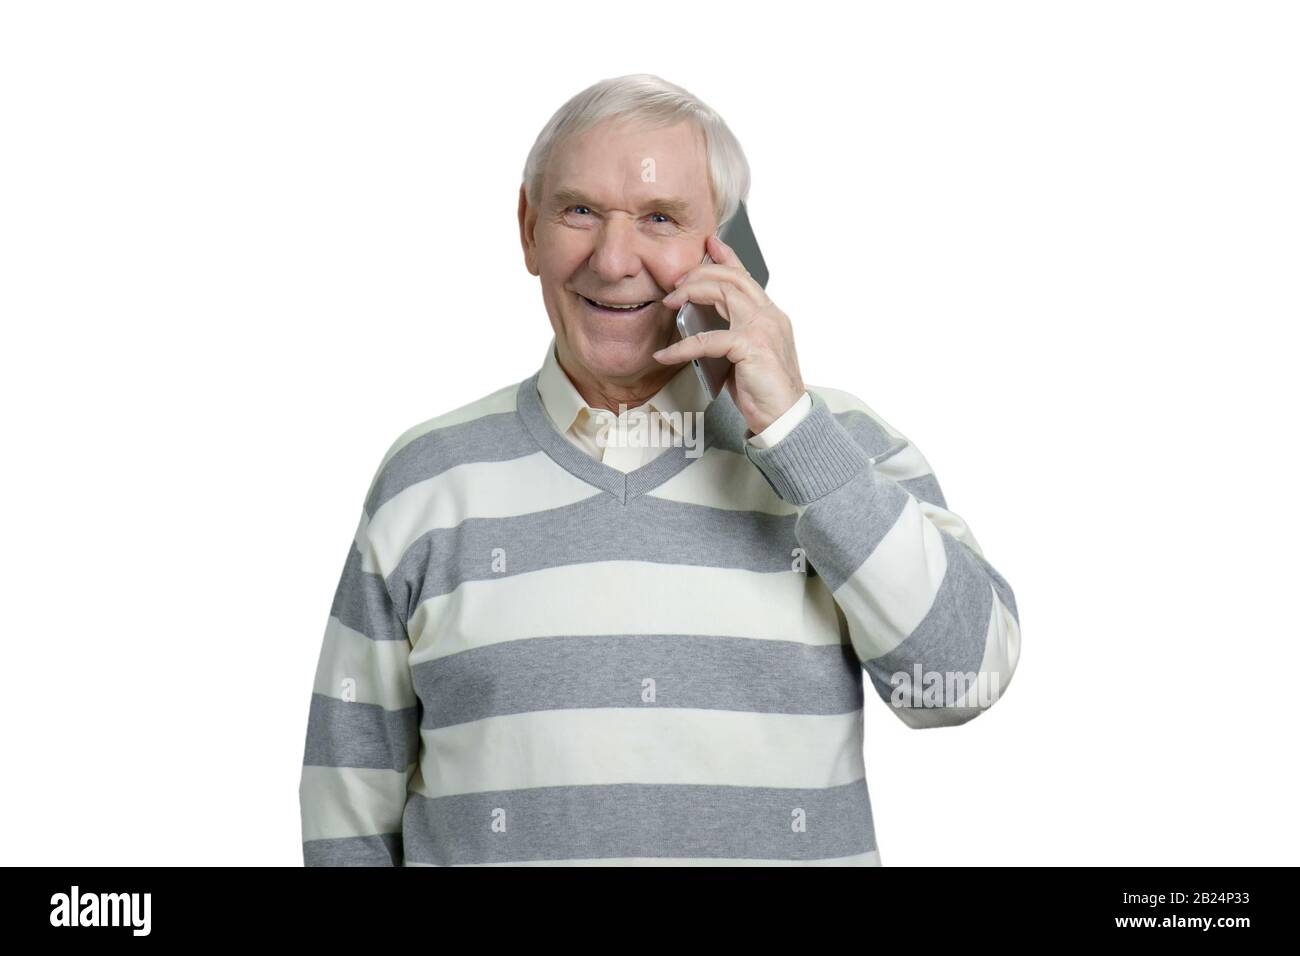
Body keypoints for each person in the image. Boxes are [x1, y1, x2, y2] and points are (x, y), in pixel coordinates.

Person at [298, 73, 1021, 866]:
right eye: (579, 210)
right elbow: (347, 810)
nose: (614, 261)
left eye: (660, 218)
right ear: (527, 225)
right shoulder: (425, 481)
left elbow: (963, 679)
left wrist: (790, 432)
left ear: (730, 247)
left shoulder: (842, 447)